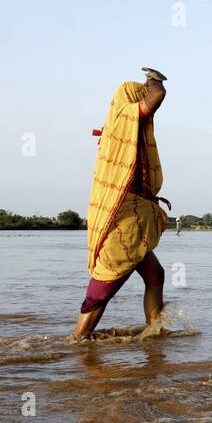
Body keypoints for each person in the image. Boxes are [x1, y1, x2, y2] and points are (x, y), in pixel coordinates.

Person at [71, 75, 170, 340]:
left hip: (131, 219)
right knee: (106, 286)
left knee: (155, 275)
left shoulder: (126, 130)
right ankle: (78, 341)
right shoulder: (123, 120)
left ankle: (155, 332)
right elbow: (156, 97)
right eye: (139, 93)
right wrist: (154, 79)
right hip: (124, 221)